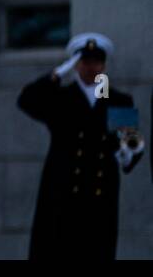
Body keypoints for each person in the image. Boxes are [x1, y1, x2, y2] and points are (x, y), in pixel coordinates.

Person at [17, 32, 145, 260]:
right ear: (76, 65)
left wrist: (127, 152)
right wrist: (57, 74)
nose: (92, 67)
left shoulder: (117, 100)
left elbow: (132, 144)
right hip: (62, 191)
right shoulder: (61, 98)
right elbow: (26, 101)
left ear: (104, 64)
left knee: (96, 251)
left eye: (97, 61)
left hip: (99, 193)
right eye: (85, 62)